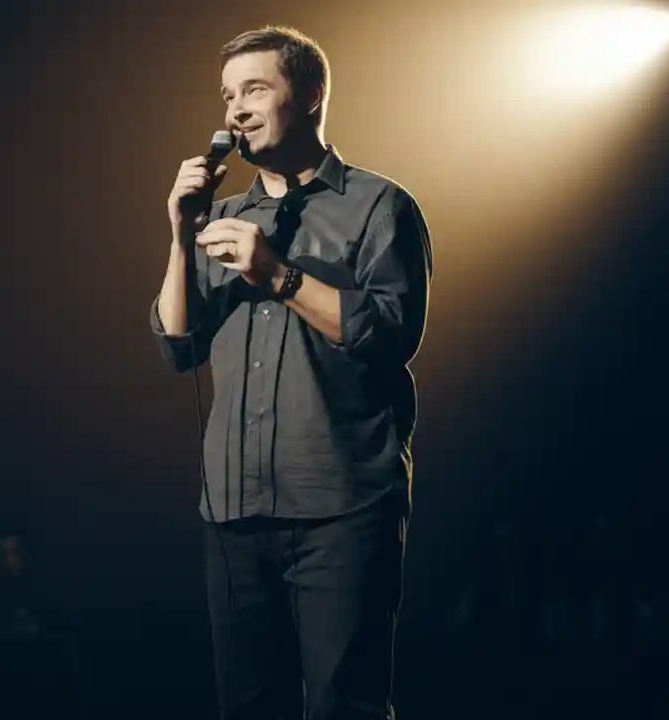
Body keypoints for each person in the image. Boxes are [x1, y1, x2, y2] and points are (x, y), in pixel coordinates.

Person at [149, 25, 433, 720]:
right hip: (235, 509)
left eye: (254, 89)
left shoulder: (377, 207)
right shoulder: (224, 216)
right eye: (227, 95)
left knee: (345, 704)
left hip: (341, 505)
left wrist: (275, 274)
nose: (235, 110)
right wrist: (181, 237)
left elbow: (389, 335)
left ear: (309, 95)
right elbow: (176, 344)